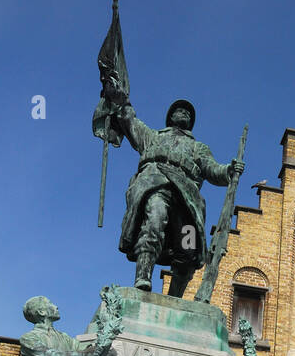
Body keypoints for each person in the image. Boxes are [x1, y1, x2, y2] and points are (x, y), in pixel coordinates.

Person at [100, 93, 245, 296]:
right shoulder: (152, 137)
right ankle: (143, 276)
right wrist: (117, 97)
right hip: (156, 185)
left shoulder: (198, 147)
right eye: (179, 110)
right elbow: (128, 118)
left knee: (188, 244)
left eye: (188, 112)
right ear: (170, 117)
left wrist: (229, 171)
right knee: (154, 220)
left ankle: (175, 295)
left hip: (187, 198)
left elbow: (212, 169)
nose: (184, 112)